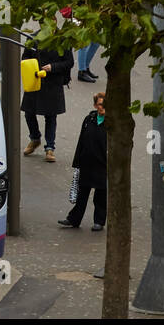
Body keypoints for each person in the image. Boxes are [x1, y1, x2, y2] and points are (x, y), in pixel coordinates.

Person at [21, 9, 75, 162]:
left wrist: (53, 67)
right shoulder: (33, 38)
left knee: (50, 116)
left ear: (54, 21)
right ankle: (35, 138)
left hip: (52, 83)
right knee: (29, 113)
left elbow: (69, 62)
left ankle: (50, 148)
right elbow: (25, 57)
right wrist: (33, 67)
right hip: (35, 81)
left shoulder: (62, 39)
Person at [59, 92, 107, 231]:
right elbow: (81, 140)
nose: (102, 107)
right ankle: (74, 219)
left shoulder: (111, 122)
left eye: (104, 105)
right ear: (95, 105)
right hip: (87, 163)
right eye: (99, 104)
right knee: (82, 194)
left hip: (103, 164)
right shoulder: (89, 119)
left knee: (101, 196)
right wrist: (77, 162)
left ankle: (99, 221)